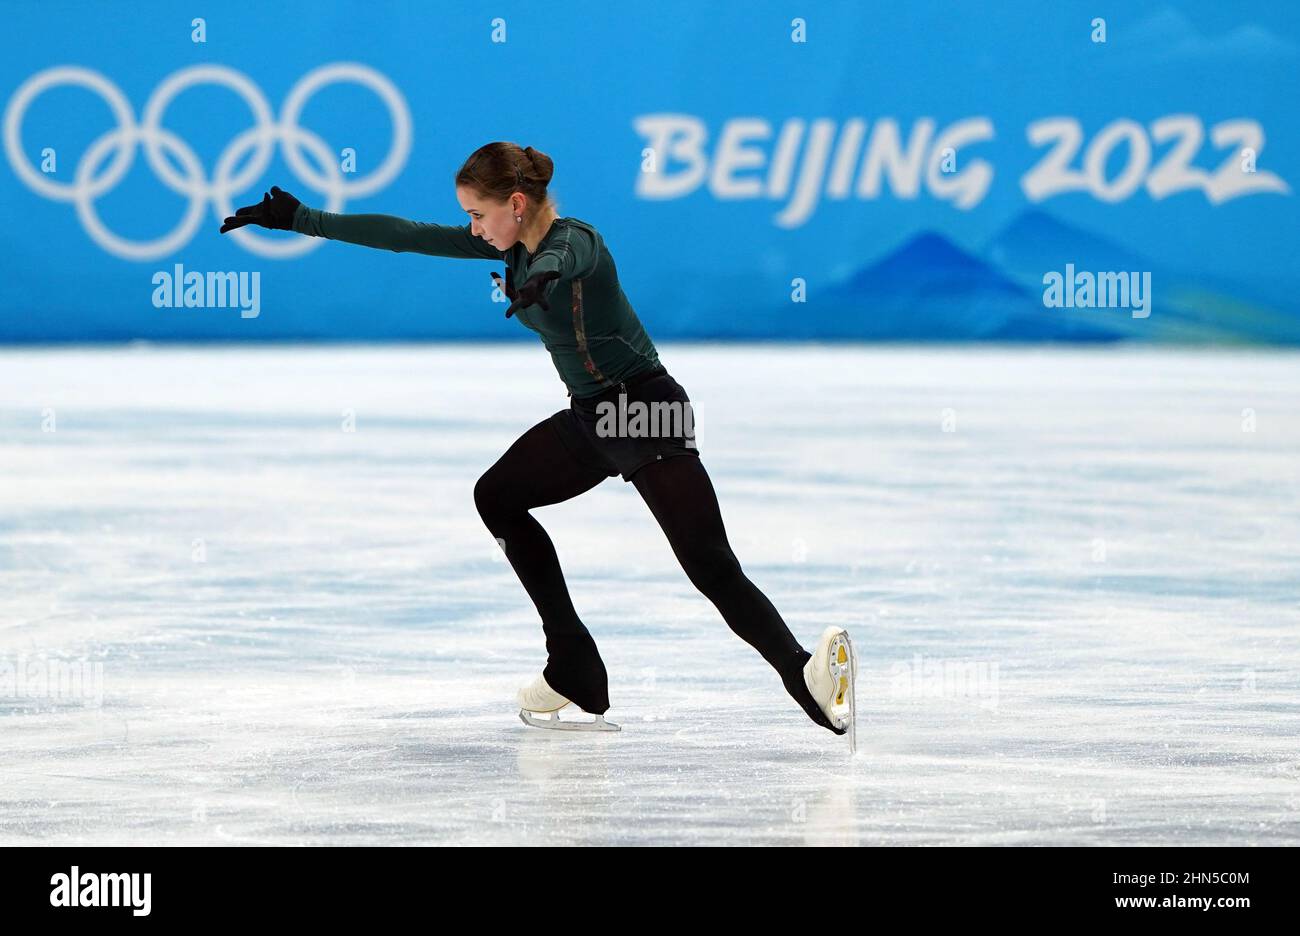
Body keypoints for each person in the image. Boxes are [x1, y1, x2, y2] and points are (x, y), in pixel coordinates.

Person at [219, 142, 856, 747]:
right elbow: (407, 236)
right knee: (497, 496)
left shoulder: (574, 241)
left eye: (477, 214)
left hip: (646, 413)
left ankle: (804, 675)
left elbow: (568, 258)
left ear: (515, 204)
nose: (472, 228)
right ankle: (573, 663)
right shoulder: (510, 250)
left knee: (710, 567)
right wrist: (302, 219)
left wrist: (541, 278)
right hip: (593, 420)